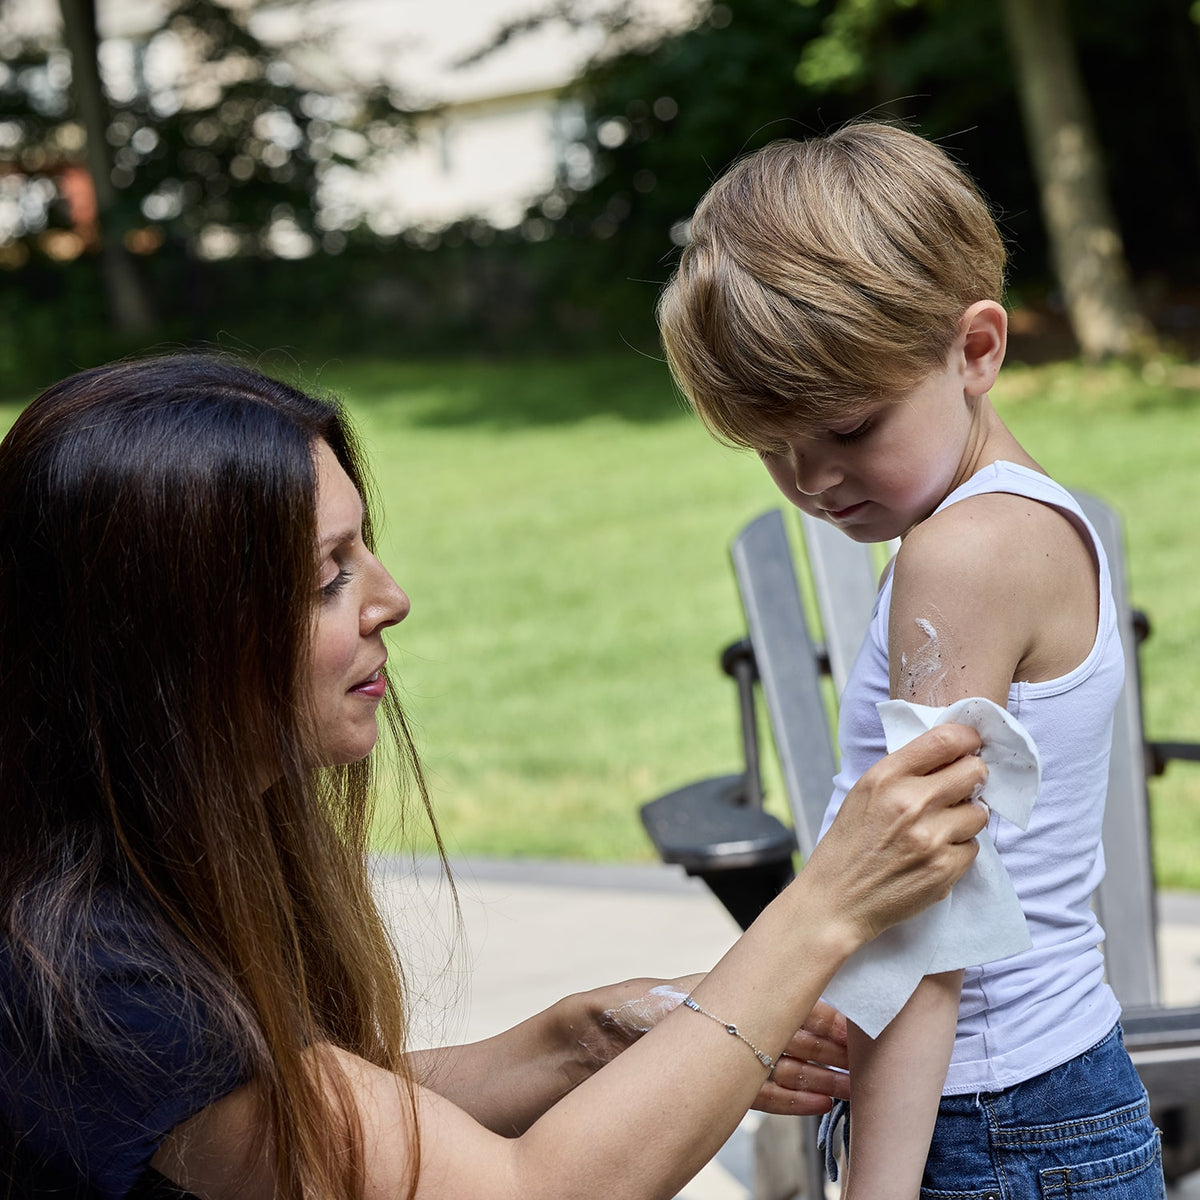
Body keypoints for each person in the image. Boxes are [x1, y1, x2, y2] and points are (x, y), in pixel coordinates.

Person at [0, 353, 991, 1200]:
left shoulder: (129, 875)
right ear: (165, 655)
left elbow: (322, 1117)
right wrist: (826, 907)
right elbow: (530, 1193)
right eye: (328, 574)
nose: (393, 598)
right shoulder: (85, 974)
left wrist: (577, 1040)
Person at [657, 122, 1166, 1199]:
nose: (811, 480)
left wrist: (873, 1190)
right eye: (771, 447)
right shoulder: (1021, 523)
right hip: (1029, 1098)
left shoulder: (963, 557)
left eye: (847, 428)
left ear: (977, 349)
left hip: (987, 1115)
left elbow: (930, 904)